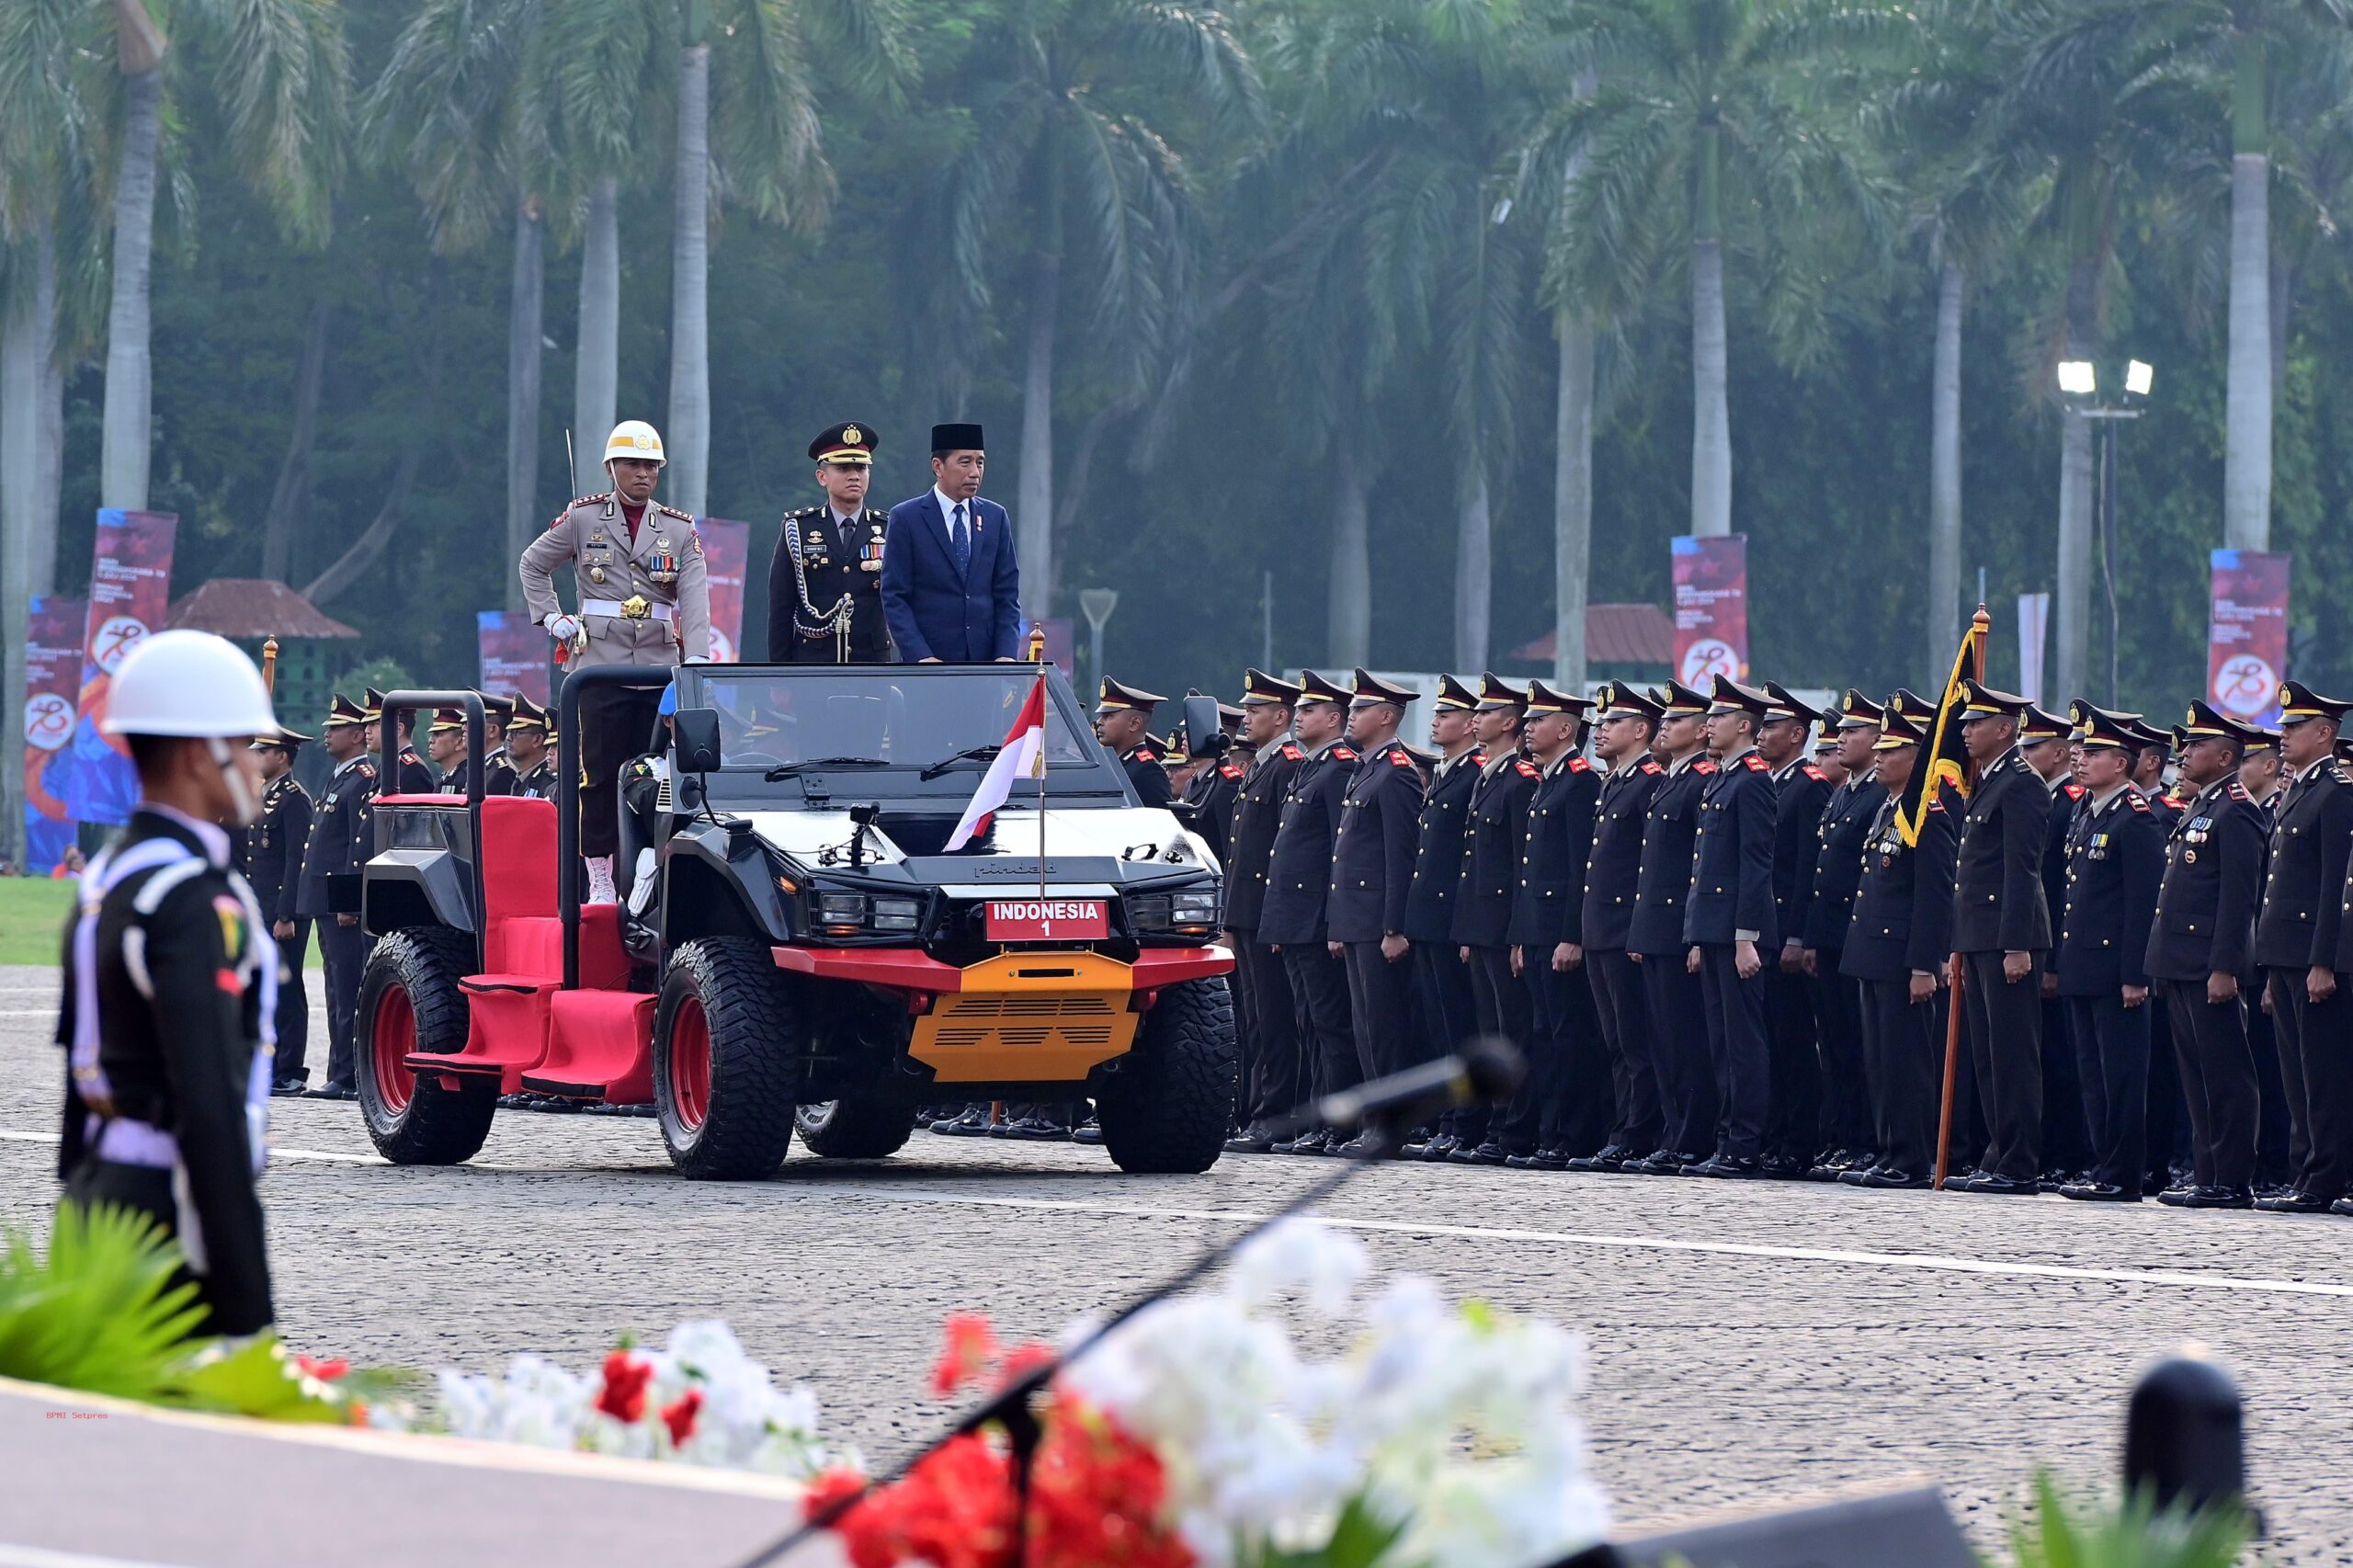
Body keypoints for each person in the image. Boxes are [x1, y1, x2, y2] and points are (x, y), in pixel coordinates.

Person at [55, 630, 280, 1335]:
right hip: (168, 1213)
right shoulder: (190, 898)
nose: (257, 764)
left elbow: (77, 1084)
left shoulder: (111, 879)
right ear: (195, 754)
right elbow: (207, 1103)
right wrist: (249, 1314)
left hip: (98, 1198)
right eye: (242, 745)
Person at [519, 418, 712, 905]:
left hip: (656, 665)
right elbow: (533, 564)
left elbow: (694, 596)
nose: (643, 474)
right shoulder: (584, 518)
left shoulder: (678, 528)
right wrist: (552, 618)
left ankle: (650, 867)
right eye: (632, 464)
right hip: (599, 663)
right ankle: (601, 876)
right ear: (611, 468)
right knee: (599, 774)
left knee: (658, 776)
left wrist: (699, 659)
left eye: (651, 465)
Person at [2143, 701, 2268, 1210]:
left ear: (2224, 757)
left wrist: (2224, 967)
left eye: (2196, 746)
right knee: (2196, 1075)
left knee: (2225, 1073)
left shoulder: (2236, 809)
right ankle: (2207, 1171)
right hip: (2179, 961)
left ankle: (2232, 1178)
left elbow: (2238, 900)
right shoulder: (2202, 804)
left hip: (2209, 964)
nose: (2185, 753)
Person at [2050, 703, 2165, 1203]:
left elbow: (2142, 905)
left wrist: (2136, 975)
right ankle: (2104, 1165)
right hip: (2083, 966)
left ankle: (2123, 1174)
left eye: (2092, 752)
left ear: (2121, 763)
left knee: (2120, 1076)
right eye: (2079, 751)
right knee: (2092, 1074)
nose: (2080, 759)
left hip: (2117, 969)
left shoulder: (2134, 818)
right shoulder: (2084, 811)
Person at [1836, 709, 1955, 1189]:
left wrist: (1924, 964)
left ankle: (1909, 1157)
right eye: (1879, 750)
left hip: (1902, 957)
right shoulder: (1889, 809)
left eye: (1891, 752)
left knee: (1906, 1061)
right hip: (1872, 953)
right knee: (1880, 1060)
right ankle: (1888, 1150)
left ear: (1917, 758)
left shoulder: (1927, 812)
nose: (1880, 759)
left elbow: (1935, 893)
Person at [1949, 679, 2054, 1196]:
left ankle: (2020, 1161)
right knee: (1988, 1053)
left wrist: (2016, 945)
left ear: (2005, 729)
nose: (1966, 732)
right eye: (1966, 723)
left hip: (2008, 938)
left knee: (2013, 1053)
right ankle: (1998, 1150)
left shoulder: (2022, 784)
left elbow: (2022, 872)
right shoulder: (1988, 780)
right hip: (1979, 936)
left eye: (1976, 723)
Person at [2257, 681, 2353, 1214]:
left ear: (2324, 734)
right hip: (2285, 951)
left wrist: (2324, 960)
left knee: (2322, 1073)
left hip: (2313, 956)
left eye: (2294, 728)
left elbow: (2335, 885)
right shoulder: (2300, 789)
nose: (2284, 737)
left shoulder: (2337, 793)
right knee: (2296, 1072)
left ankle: (2325, 1177)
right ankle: (2306, 1169)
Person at [1681, 676, 1780, 1180]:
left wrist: (1747, 937)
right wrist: (1700, 934)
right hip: (1715, 929)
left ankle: (1744, 1144)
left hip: (1738, 934)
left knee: (1742, 1040)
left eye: (1718, 717)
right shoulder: (1723, 777)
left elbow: (1754, 864)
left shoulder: (1754, 780)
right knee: (1721, 1039)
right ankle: (1725, 1138)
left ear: (1744, 725)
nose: (1709, 724)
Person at [1566, 681, 1667, 1173]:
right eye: (1601, 723)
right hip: (1601, 928)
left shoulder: (1648, 780)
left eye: (1613, 724)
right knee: (1616, 1041)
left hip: (1626, 929)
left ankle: (1637, 1132)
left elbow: (1646, 866)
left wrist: (1636, 931)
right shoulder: (1618, 780)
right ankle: (1623, 1127)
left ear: (1641, 730)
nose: (1601, 731)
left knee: (1636, 1040)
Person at [1259, 671, 1360, 1152]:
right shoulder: (1310, 767)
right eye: (1298, 711)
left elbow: (1336, 856)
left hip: (1316, 919)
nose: (1298, 717)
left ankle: (1336, 1121)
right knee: (1308, 1024)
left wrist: (1328, 920)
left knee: (1329, 1024)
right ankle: (1317, 1119)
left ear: (1333, 719)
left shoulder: (1338, 767)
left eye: (1308, 711)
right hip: (1294, 919)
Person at [1325, 671, 1426, 1150]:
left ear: (1387, 717)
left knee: (1385, 1028)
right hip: (1357, 919)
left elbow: (1400, 856)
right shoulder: (1367, 768)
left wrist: (1394, 925)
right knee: (1365, 1027)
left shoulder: (1398, 771)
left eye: (1361, 709)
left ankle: (1392, 1124)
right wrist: (1340, 922)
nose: (1351, 715)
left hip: (1378, 922)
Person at [1503, 680, 1601, 1167]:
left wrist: (1571, 935)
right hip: (1537, 933)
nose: (1528, 728)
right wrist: (1521, 936)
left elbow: (1578, 865)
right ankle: (1549, 1131)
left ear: (1566, 728)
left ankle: (1571, 1135)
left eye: (1538, 721)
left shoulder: (1581, 781)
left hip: (1559, 933)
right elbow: (1531, 868)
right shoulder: (1549, 779)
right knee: (1544, 1034)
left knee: (1568, 1036)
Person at [1448, 674, 1541, 1165]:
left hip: (1506, 928)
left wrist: (1517, 934)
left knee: (1512, 1032)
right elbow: (1475, 863)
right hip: (1482, 927)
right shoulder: (1492, 778)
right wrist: (1468, 930)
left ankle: (1513, 1130)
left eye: (1485, 714)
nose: (1476, 719)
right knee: (1489, 1029)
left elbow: (1522, 866)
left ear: (1509, 722)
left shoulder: (1521, 781)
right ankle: (1492, 1125)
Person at [1625, 680, 1717, 1175]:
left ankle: (1691, 1136)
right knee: (1661, 1041)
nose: (1665, 728)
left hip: (1678, 929)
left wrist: (1692, 935)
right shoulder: (1671, 778)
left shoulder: (1702, 779)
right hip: (1655, 929)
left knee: (1685, 1041)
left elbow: (1696, 868)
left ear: (1703, 730)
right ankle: (1673, 1131)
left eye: (1677, 721)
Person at [1400, 675, 1487, 1162]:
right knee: (1439, 1026)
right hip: (1430, 919)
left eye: (1446, 715)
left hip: (1452, 918)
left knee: (1459, 1024)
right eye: (1436, 715)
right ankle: (1448, 1119)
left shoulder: (1472, 772)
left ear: (1473, 724)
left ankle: (1464, 1121)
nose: (1436, 722)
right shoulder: (1450, 771)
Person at [1800, 690, 1887, 1178]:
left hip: (1856, 939)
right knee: (1834, 1047)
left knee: (1858, 1047)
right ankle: (1842, 1137)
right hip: (1829, 939)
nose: (1840, 739)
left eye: (1851, 732)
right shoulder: (1844, 792)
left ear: (1878, 740)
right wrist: (1812, 939)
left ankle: (1865, 1141)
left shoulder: (1877, 794)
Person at [1220, 671, 1306, 1153]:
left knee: (1275, 1019)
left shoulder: (1287, 765)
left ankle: (1275, 1115)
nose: (1246, 718)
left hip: (1267, 914)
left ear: (1281, 717)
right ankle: (1256, 1109)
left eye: (1255, 711)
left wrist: (1269, 916)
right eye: (1246, 710)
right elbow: (1242, 852)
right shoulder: (1261, 765)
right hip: (1248, 914)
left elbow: (1282, 852)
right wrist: (1231, 918)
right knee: (1254, 1019)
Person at [1758, 683, 1831, 1178]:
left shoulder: (1809, 785)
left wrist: (1797, 936)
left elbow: (1808, 870)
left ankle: (1799, 1139)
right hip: (1765, 930)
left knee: (1795, 1042)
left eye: (1771, 727)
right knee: (1771, 1042)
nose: (1762, 735)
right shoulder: (1771, 782)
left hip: (1787, 931)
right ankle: (1776, 1132)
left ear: (1797, 734)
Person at [879, 423, 1022, 664]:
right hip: (928, 667)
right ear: (938, 466)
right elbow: (895, 597)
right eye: (965, 462)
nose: (975, 472)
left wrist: (1006, 654)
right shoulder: (907, 518)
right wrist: (921, 656)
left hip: (986, 667)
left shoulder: (995, 517)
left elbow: (1007, 594)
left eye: (980, 462)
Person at [294, 695, 376, 1101]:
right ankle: (339, 1070)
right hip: (326, 901)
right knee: (334, 990)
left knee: (347, 991)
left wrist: (348, 901)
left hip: (340, 904)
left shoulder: (362, 778)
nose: (327, 734)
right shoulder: (341, 776)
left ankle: (347, 1074)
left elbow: (355, 849)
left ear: (359, 735)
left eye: (336, 728)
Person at [2023, 703, 2091, 1185]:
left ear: (2060, 753)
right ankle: (2051, 1152)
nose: (2024, 756)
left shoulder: (2067, 801)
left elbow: (2060, 887)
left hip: (2057, 949)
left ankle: (2068, 1153)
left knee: (2065, 1062)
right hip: (2046, 945)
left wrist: (2054, 960)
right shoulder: (2047, 798)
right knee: (2050, 1057)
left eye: (2033, 748)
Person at [770, 422, 894, 662]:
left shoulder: (890, 529)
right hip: (813, 662)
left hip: (873, 663)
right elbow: (780, 611)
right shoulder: (798, 529)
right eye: (843, 468)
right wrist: (780, 676)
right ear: (822, 477)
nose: (854, 476)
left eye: (861, 468)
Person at [244, 726, 314, 1096]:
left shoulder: (293, 799)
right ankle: (270, 1065)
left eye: (263, 752)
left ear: (282, 757)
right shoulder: (264, 798)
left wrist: (285, 914)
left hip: (282, 916)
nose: (255, 757)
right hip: (262, 912)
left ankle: (291, 1069)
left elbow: (296, 861)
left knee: (287, 992)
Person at [1095, 678, 1175, 807]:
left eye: (1108, 716)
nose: (1099, 722)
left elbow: (1158, 822)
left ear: (1134, 724)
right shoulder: (1118, 764)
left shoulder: (1147, 771)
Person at [363, 688, 438, 793]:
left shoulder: (413, 771)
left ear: (398, 730)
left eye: (374, 724)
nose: (367, 730)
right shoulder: (391, 766)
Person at [507, 695, 559, 799]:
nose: (508, 738)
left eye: (516, 733)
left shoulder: (548, 783)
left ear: (537, 740)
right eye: (509, 732)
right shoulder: (522, 779)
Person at [481, 694, 520, 796]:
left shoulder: (503, 773)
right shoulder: (484, 768)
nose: (464, 729)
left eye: (472, 723)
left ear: (493, 730)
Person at [428, 707, 471, 793]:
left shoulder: (467, 779)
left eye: (438, 734)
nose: (431, 740)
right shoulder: (446, 778)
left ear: (459, 742)